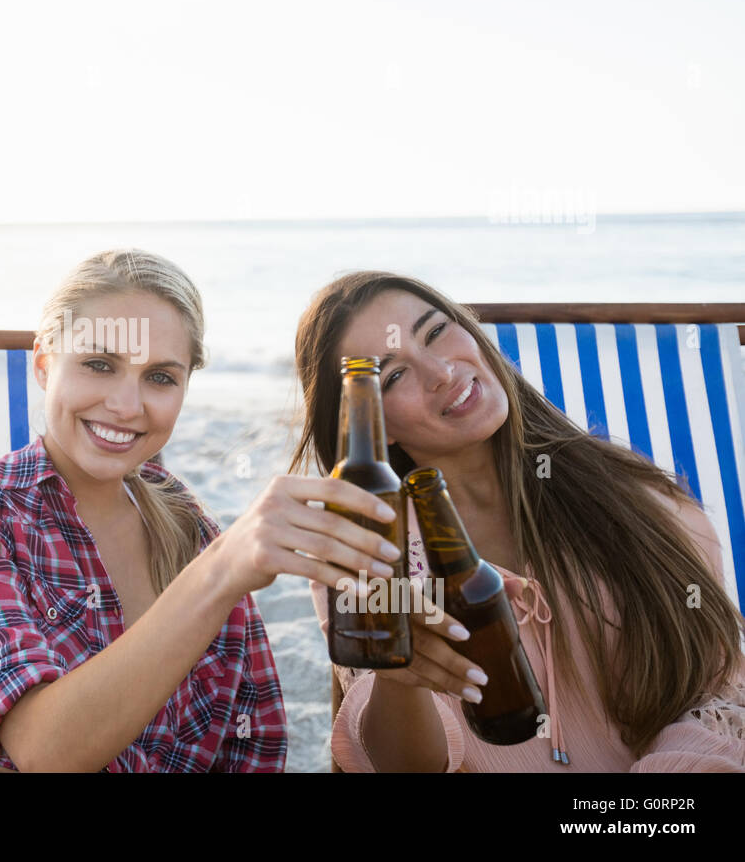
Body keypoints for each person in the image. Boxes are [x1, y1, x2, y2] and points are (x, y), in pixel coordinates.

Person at [0, 249, 445, 773]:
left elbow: (251, 748)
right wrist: (220, 574)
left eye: (159, 377)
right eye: (99, 365)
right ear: (43, 364)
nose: (127, 406)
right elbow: (46, 751)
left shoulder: (189, 527)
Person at [290, 270, 745, 772]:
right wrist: (400, 677)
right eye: (393, 375)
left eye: (437, 331)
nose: (441, 371)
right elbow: (403, 766)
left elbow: (717, 698)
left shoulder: (637, 502)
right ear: (369, 422)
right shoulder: (365, 546)